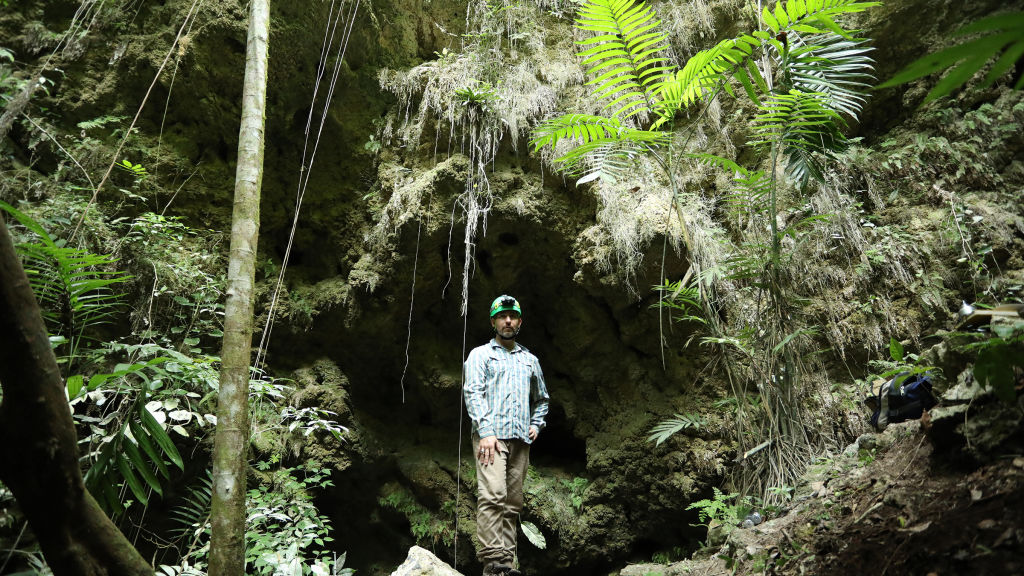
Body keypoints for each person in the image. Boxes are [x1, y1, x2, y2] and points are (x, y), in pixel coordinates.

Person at [464, 295, 550, 576]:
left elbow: (542, 399)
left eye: (512, 316)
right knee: (493, 495)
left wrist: (536, 424)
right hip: (492, 438)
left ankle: (507, 565)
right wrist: (486, 432)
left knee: (513, 503)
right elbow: (473, 392)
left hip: (520, 441)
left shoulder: (530, 360)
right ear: (493, 321)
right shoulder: (480, 355)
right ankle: (493, 563)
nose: (508, 321)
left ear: (520, 321)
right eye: (502, 316)